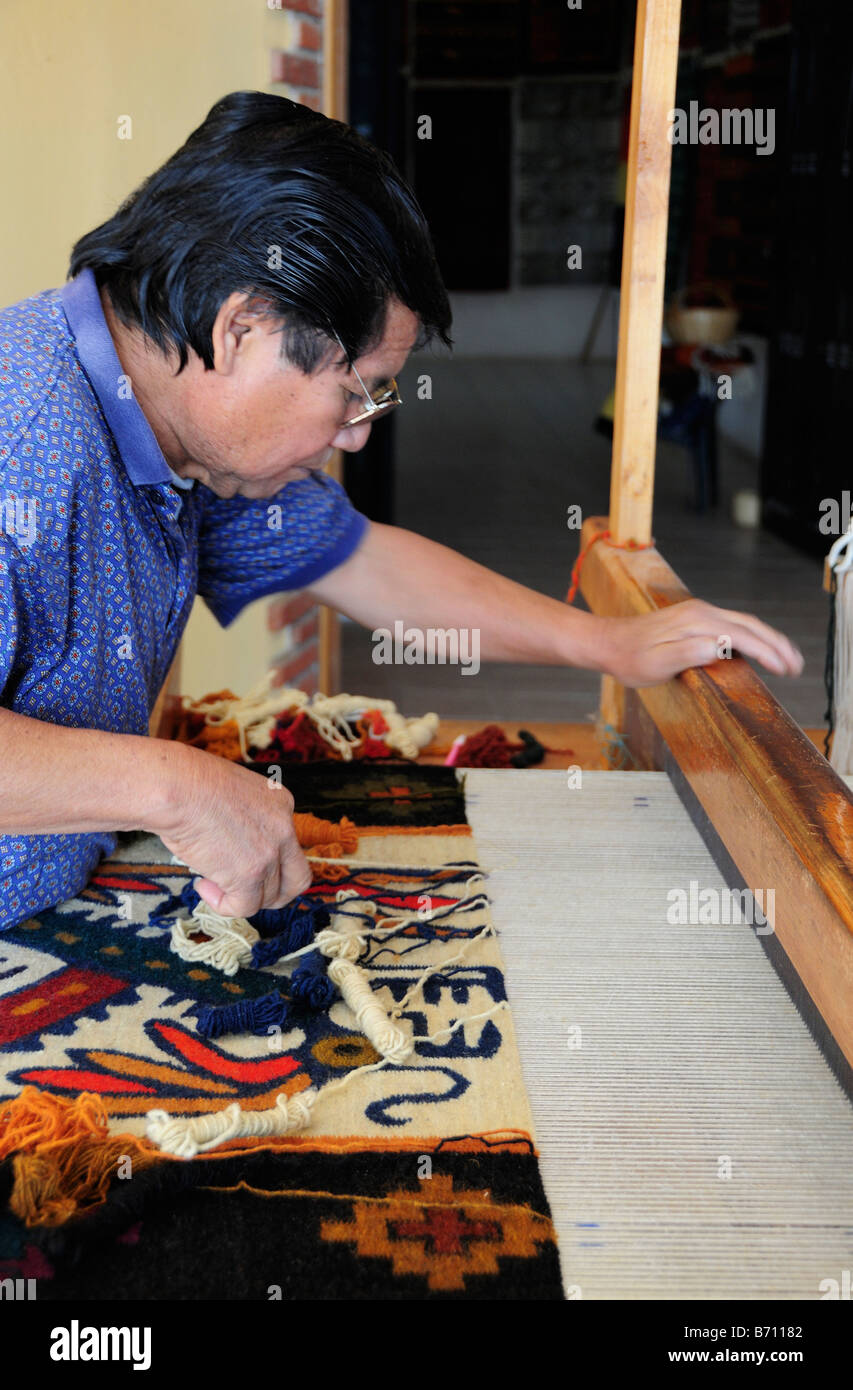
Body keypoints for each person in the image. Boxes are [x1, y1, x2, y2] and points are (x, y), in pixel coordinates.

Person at [0, 92, 802, 930]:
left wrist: (611, 642)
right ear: (242, 327)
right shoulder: (22, 434)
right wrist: (172, 788)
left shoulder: (176, 434)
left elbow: (360, 561)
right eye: (350, 395)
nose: (353, 439)